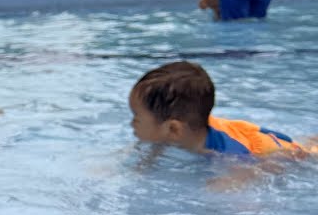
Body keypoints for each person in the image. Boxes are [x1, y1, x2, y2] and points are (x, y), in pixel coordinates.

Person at [129, 61, 312, 157]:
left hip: (268, 149)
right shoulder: (176, 130)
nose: (132, 124)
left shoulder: (226, 154)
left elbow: (251, 173)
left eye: (136, 117)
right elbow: (151, 150)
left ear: (173, 129)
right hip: (232, 130)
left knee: (306, 152)